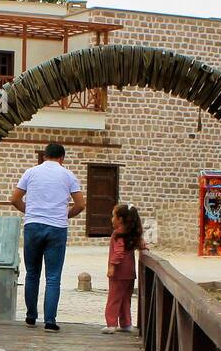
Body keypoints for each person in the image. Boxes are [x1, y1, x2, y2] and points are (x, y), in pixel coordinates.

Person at [10, 143, 85, 331]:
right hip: (57, 229)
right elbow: (80, 204)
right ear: (62, 158)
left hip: (33, 226)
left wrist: (30, 212)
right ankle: (50, 320)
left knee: (32, 273)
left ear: (45, 156)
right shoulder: (68, 175)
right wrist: (64, 215)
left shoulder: (31, 172)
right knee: (53, 277)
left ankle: (30, 316)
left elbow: (14, 198)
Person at [103, 203, 146, 334]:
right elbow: (141, 244)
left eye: (113, 216)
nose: (111, 219)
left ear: (120, 219)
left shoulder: (118, 234)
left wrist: (111, 266)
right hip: (130, 273)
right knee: (125, 299)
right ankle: (126, 323)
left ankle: (111, 323)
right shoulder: (132, 233)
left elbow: (118, 253)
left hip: (119, 272)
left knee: (114, 298)